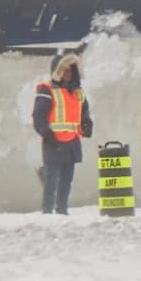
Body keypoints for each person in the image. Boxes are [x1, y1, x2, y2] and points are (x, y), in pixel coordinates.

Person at [33, 53, 93, 214]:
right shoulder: (47, 90)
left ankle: (62, 210)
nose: (68, 74)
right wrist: (48, 135)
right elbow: (38, 116)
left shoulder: (78, 92)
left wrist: (87, 125)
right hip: (54, 142)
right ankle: (47, 211)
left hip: (72, 142)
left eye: (70, 70)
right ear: (57, 72)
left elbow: (84, 113)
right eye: (64, 70)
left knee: (66, 180)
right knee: (51, 180)